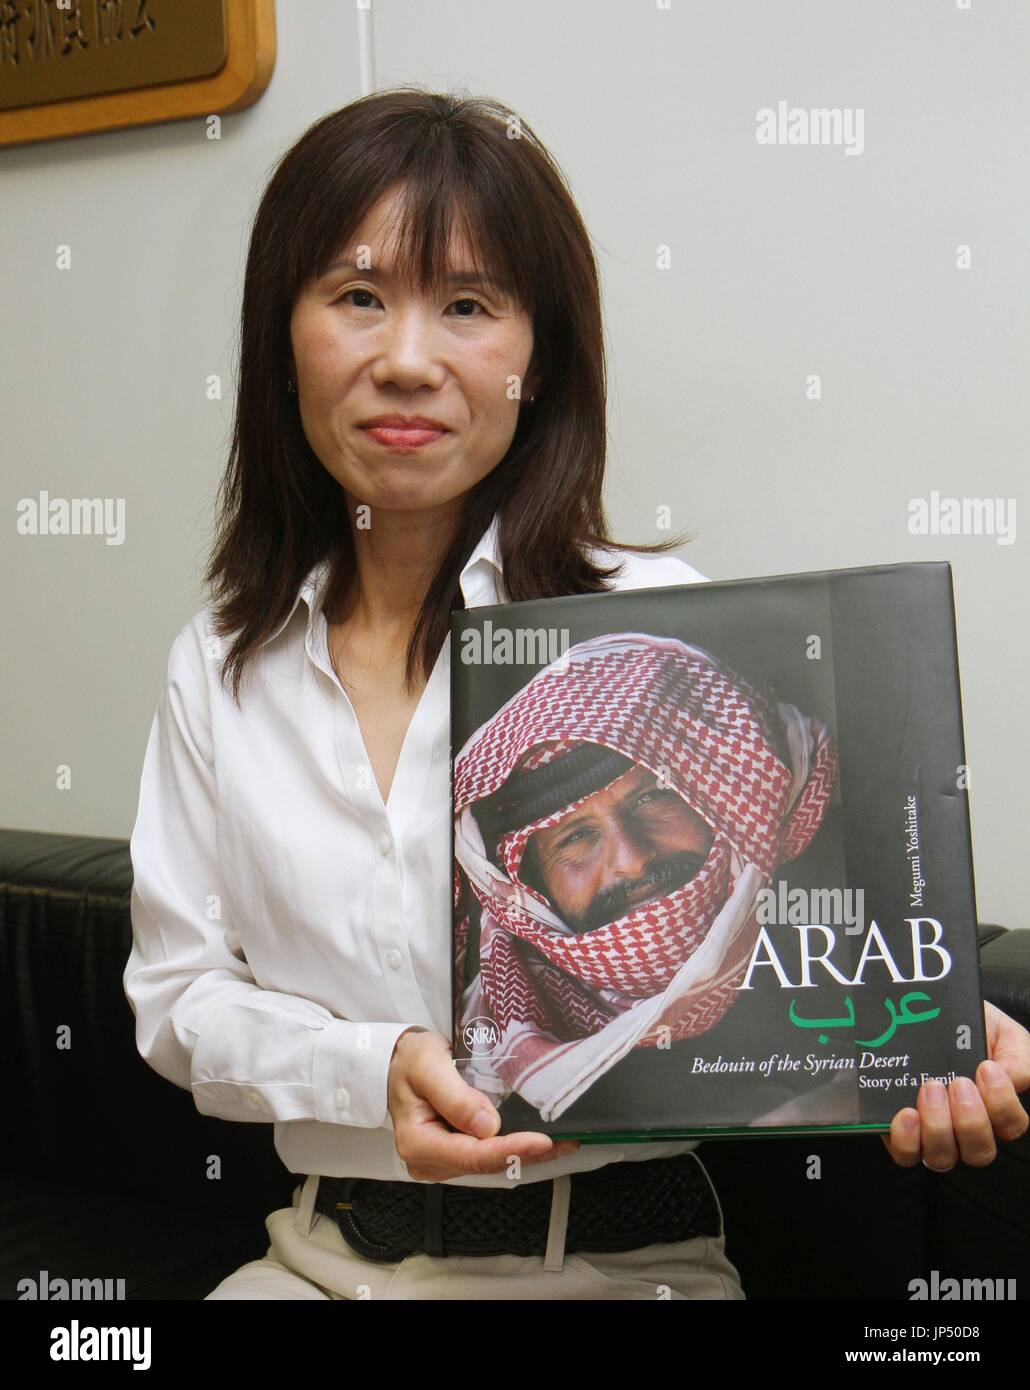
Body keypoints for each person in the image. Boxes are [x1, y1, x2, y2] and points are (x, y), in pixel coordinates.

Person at [123, 88, 1030, 1302]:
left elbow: (834, 933)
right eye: (355, 297)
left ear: (538, 355)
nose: (405, 360)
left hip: (626, 1264)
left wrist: (939, 1038)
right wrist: (368, 1066)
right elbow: (176, 998)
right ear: (280, 334)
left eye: (467, 305)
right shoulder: (222, 663)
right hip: (321, 1265)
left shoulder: (664, 634)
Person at [451, 632, 840, 1122]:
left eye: (651, 798)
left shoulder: (842, 896)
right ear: (528, 891)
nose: (631, 861)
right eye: (574, 837)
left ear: (716, 791)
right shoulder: (491, 1039)